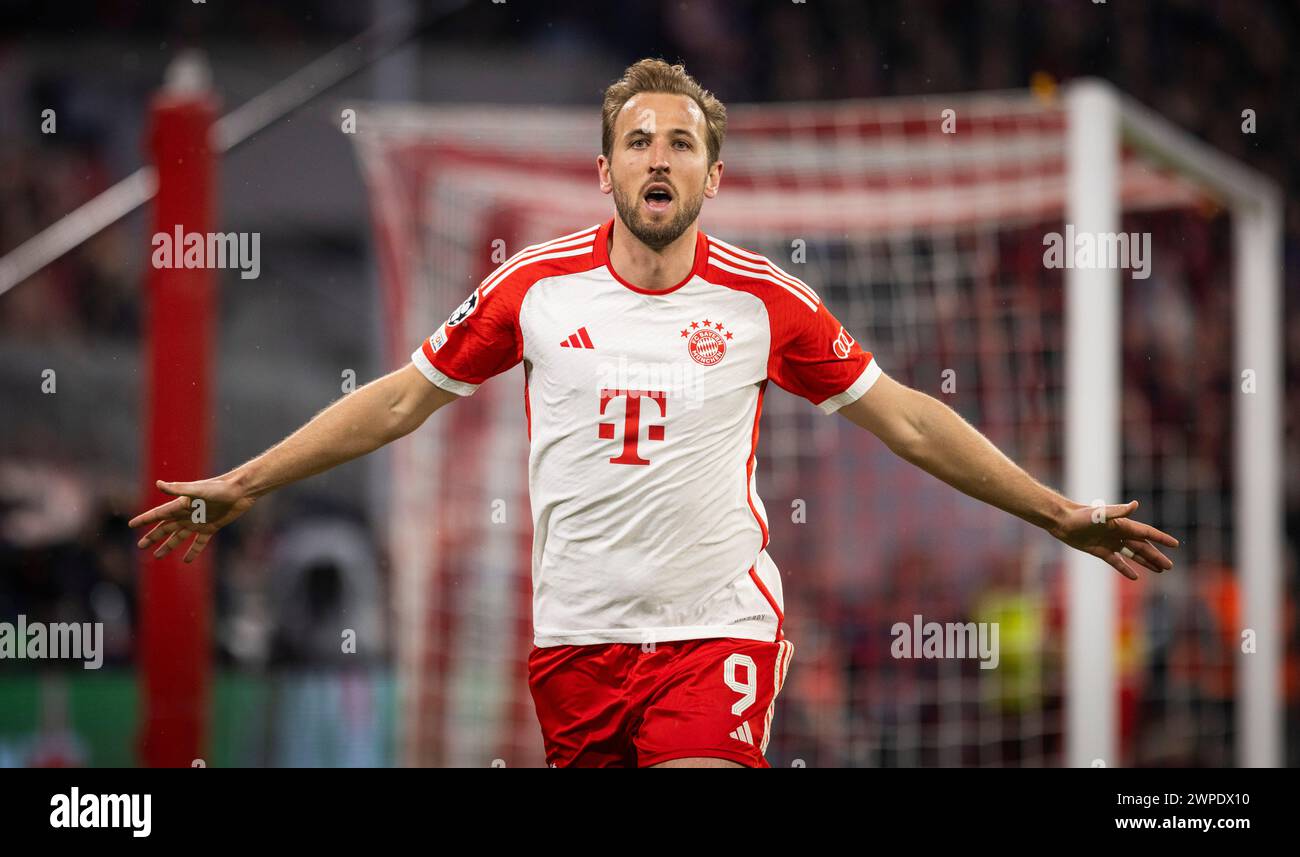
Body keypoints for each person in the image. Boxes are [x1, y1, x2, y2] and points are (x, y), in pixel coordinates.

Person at [129, 58, 1178, 768]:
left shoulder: (766, 301)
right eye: (639, 142)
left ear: (712, 175)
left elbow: (904, 417)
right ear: (606, 170)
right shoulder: (531, 288)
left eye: (681, 143)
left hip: (713, 629)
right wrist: (244, 483)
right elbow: (398, 399)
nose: (660, 158)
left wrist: (1053, 511)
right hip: (577, 641)